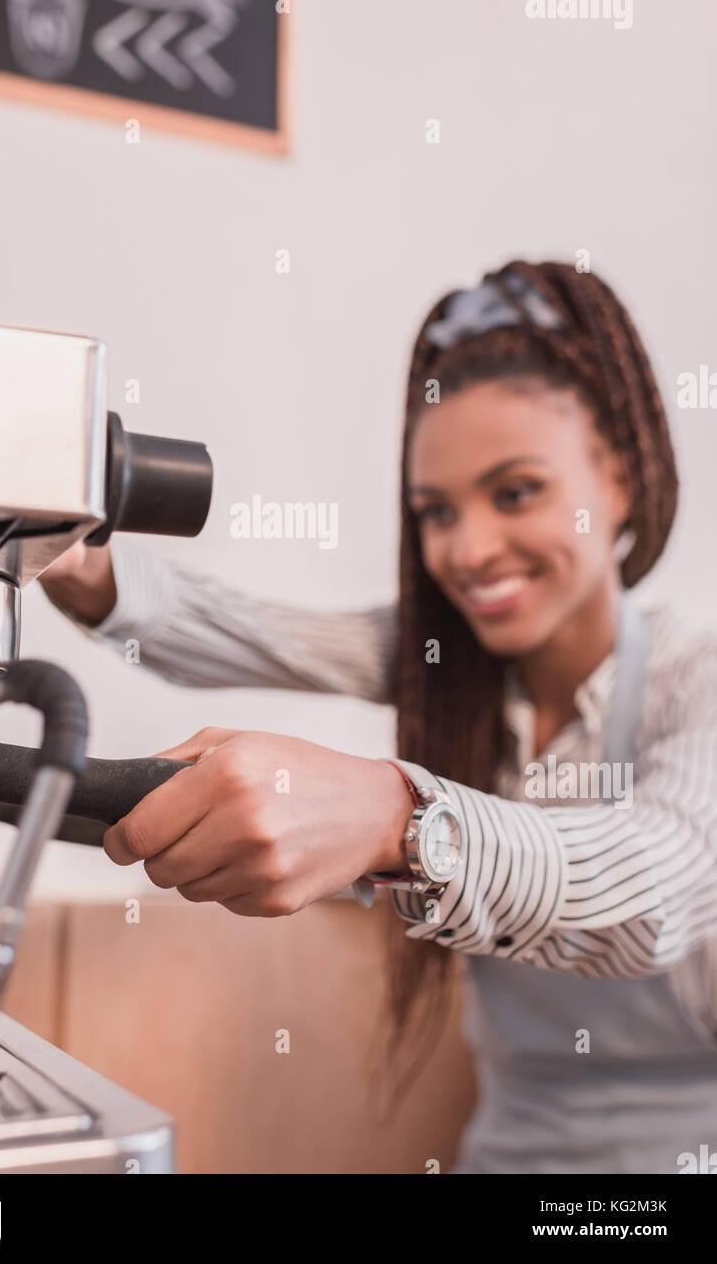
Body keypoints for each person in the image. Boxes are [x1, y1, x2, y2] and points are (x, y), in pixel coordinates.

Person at [41, 260, 717, 1174]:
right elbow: (258, 637)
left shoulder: (696, 679)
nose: (468, 551)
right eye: (435, 511)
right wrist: (72, 557)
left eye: (516, 492)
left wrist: (406, 823)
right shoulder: (454, 666)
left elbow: (658, 889)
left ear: (623, 478)